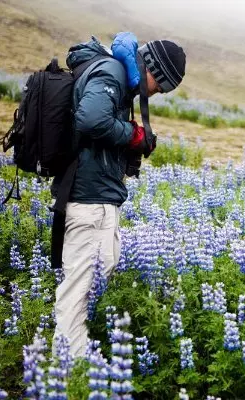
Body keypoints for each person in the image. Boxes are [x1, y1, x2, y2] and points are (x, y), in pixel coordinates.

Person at [52, 32, 186, 358]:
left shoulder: (119, 80)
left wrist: (132, 144)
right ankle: (68, 373)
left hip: (101, 197)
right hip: (87, 199)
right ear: (152, 68)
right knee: (79, 290)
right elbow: (91, 119)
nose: (157, 93)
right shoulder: (112, 72)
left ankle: (76, 355)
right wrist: (132, 135)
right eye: (162, 85)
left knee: (100, 272)